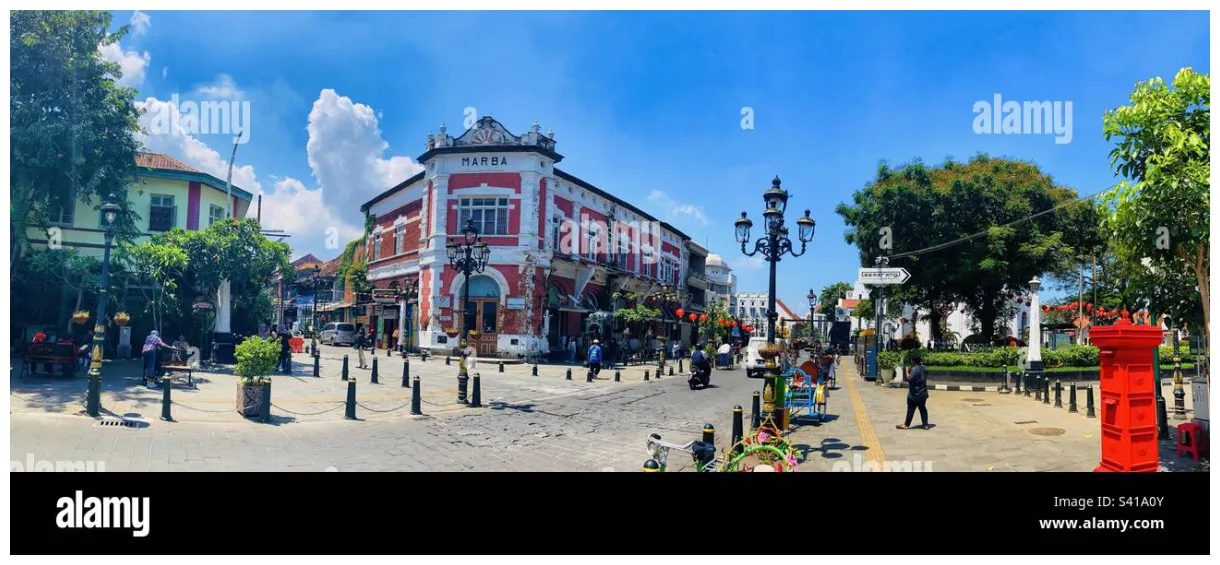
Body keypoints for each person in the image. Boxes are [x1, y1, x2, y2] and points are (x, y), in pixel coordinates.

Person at [897, 355, 930, 430]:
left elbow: (909, 379)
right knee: (922, 409)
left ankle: (906, 424)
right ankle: (925, 425)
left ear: (913, 361)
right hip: (923, 392)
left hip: (914, 394)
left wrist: (907, 371)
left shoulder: (914, 369)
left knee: (911, 409)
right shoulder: (924, 367)